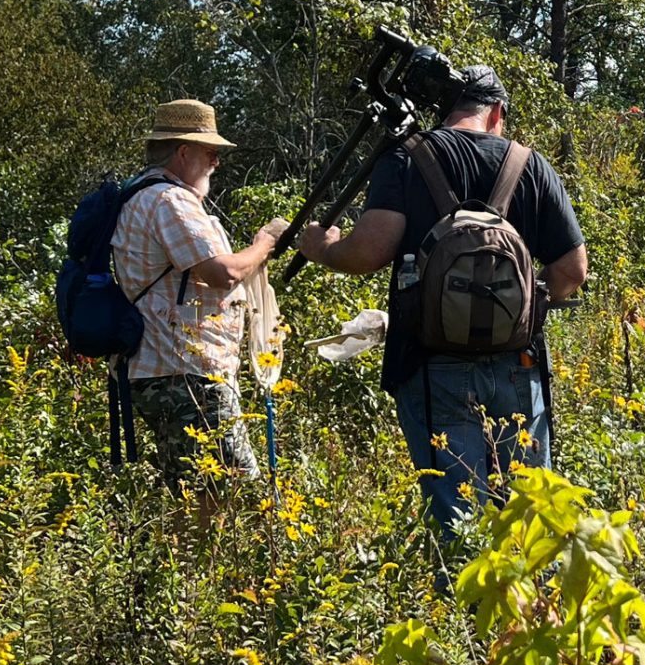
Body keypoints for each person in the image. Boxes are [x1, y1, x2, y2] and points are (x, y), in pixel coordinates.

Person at [297, 65, 588, 536]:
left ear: (446, 109)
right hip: (518, 363)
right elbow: (571, 271)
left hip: (431, 363)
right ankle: (534, 583)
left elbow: (369, 251)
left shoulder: (407, 155)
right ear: (496, 112)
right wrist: (522, 306)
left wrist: (323, 247)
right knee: (532, 515)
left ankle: (465, 582)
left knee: (459, 519)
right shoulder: (530, 164)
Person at [112, 98, 288, 487]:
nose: (216, 162)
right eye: (210, 152)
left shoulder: (143, 195)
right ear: (184, 152)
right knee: (233, 490)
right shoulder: (170, 200)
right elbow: (224, 272)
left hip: (168, 371)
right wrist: (264, 245)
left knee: (195, 488)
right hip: (185, 372)